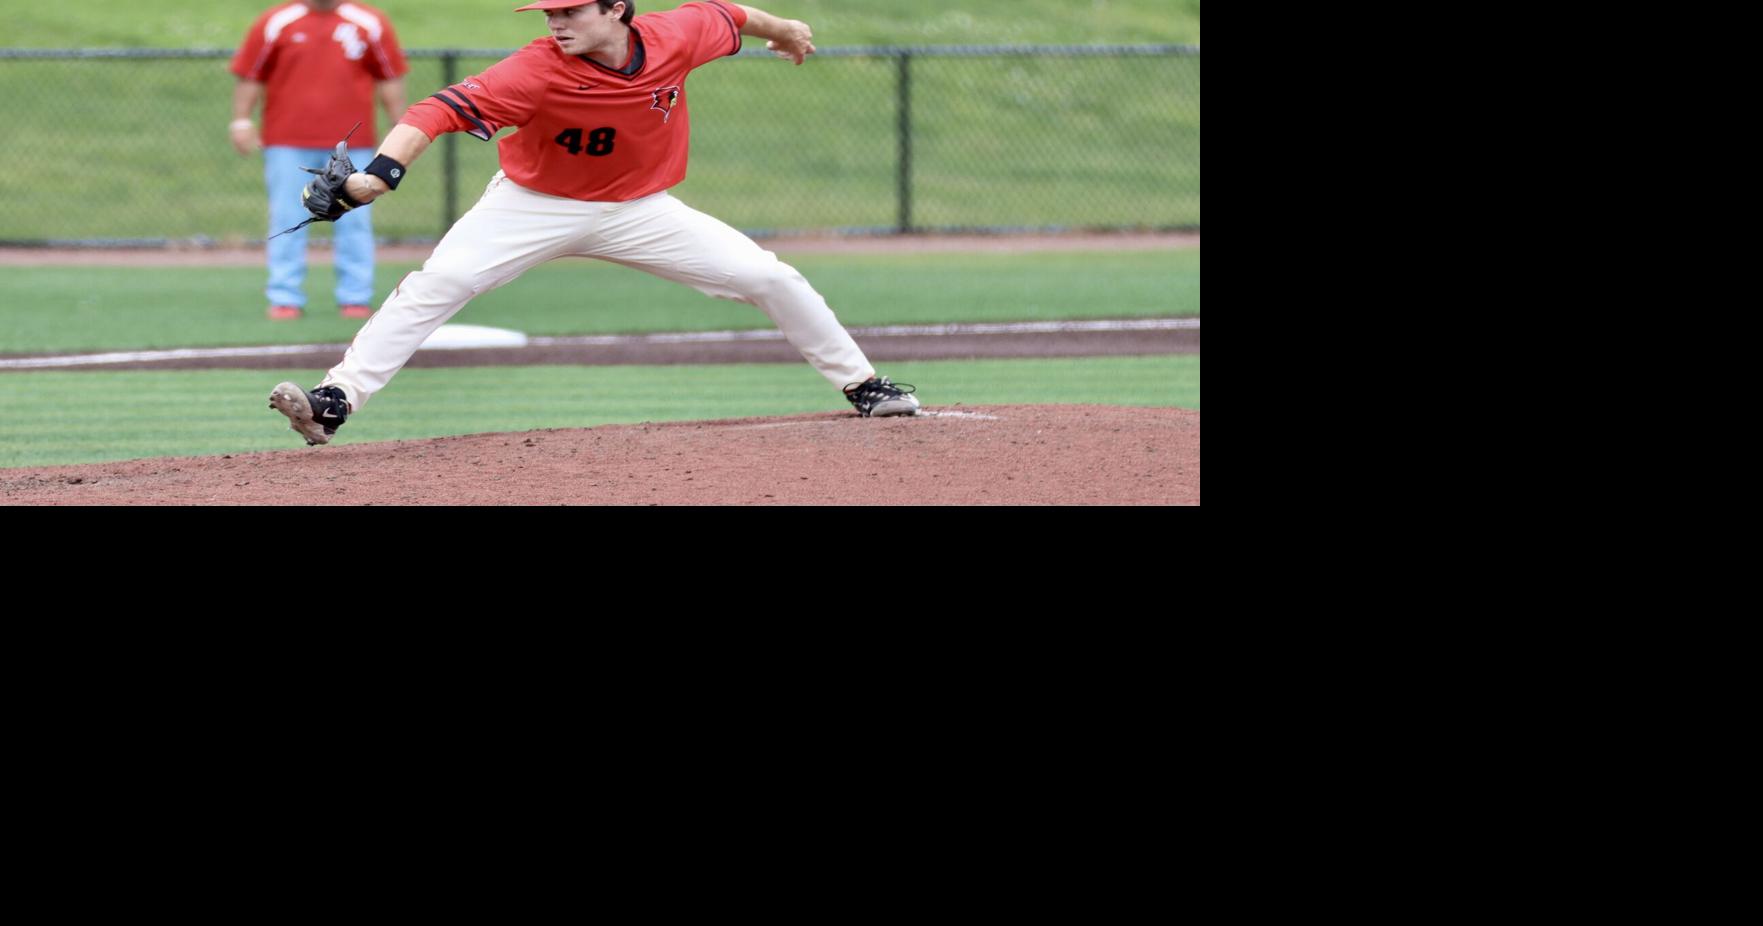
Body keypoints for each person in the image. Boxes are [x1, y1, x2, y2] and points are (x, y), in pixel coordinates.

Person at [268, 0, 919, 445]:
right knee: (438, 284)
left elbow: (730, 15)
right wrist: (381, 174)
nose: (556, 21)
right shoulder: (535, 70)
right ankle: (335, 401)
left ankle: (864, 384)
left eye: (571, 9)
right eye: (549, 11)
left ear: (616, 8)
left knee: (768, 277)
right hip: (530, 203)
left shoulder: (675, 36)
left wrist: (782, 30)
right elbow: (435, 110)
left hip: (640, 208)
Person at [231, 0, 409, 320]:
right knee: (288, 217)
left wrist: (399, 127)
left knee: (354, 220)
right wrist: (242, 120)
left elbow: (389, 75)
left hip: (352, 144)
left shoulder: (368, 22)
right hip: (288, 141)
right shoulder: (277, 21)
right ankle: (285, 297)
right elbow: (251, 75)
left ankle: (355, 297)